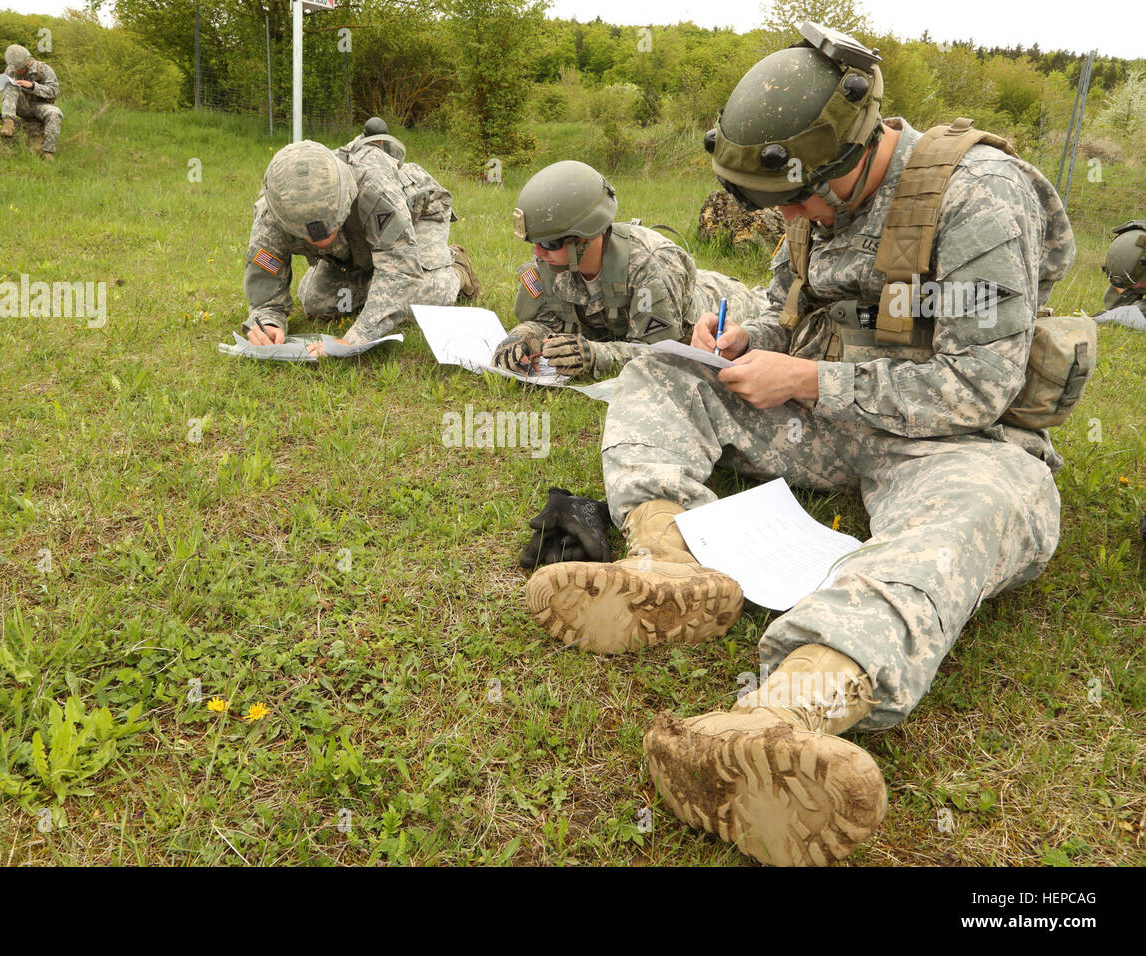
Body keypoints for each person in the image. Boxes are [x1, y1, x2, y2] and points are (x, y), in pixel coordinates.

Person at [524, 22, 1079, 866]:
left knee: (978, 511)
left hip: (951, 443)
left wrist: (810, 382)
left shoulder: (979, 197)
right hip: (827, 420)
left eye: (796, 200)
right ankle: (668, 565)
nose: (787, 217)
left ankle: (778, 718)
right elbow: (783, 298)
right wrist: (740, 339)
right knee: (661, 377)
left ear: (858, 150)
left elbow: (979, 388)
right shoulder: (807, 197)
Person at [493, 160, 767, 379]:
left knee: (766, 307)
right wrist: (524, 336)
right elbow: (546, 321)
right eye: (534, 242)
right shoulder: (550, 263)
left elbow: (661, 354)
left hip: (726, 305)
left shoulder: (650, 266)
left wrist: (595, 356)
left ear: (585, 237)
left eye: (548, 243)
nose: (538, 253)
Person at [240, 124, 478, 354]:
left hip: (417, 216)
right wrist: (267, 321)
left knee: (425, 296)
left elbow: (401, 270)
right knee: (317, 303)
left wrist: (356, 338)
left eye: (330, 225)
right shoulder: (273, 213)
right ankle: (376, 276)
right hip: (357, 244)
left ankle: (456, 268)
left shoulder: (374, 188)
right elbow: (266, 283)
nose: (321, 241)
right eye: (308, 235)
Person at [0, 44, 62, 160]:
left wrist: (33, 86)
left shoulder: (44, 70)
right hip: (20, 106)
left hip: (40, 106)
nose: (17, 71)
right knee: (10, 86)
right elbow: (6, 90)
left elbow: (53, 91)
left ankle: (48, 153)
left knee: (55, 113)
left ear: (28, 63)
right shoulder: (11, 69)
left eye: (20, 69)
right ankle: (8, 123)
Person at [1096, 220, 1146, 329]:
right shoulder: (1131, 266)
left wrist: (1139, 310)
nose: (1135, 286)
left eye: (1141, 281)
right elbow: (1115, 308)